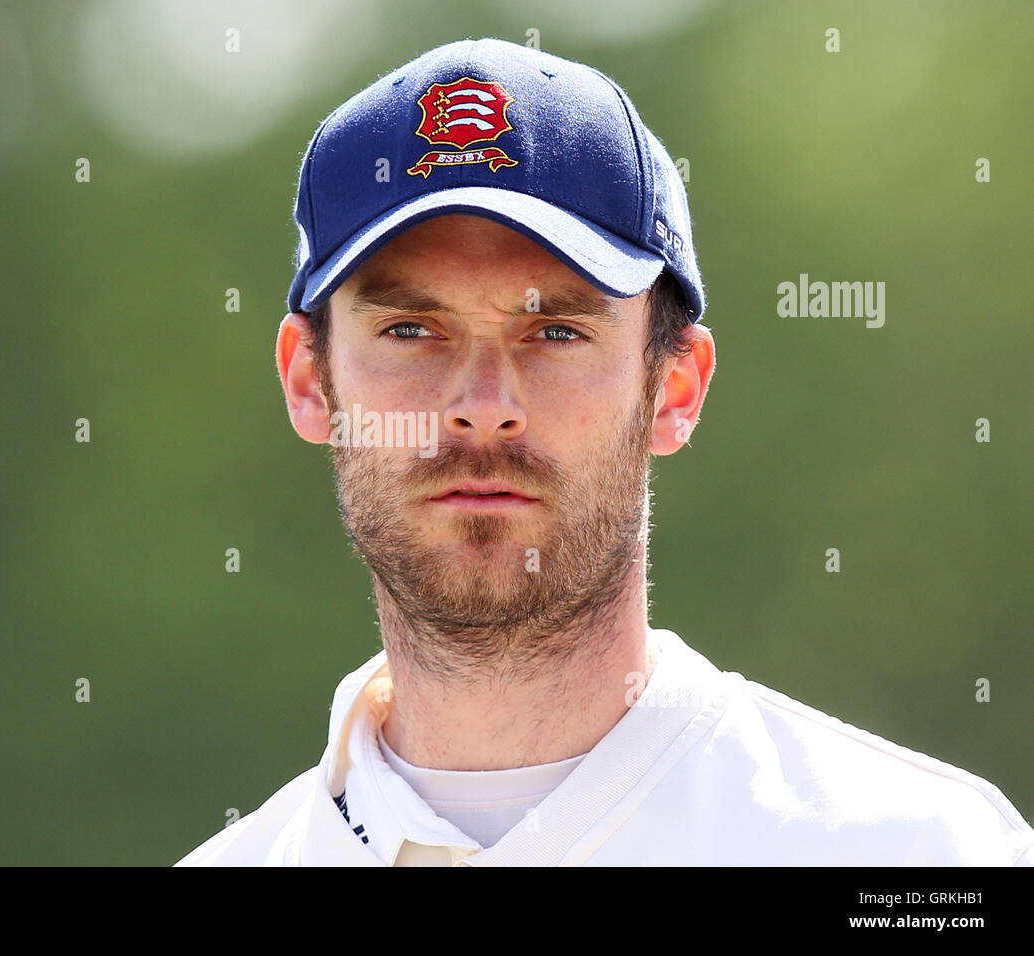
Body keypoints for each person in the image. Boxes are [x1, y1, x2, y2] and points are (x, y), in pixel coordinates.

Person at [175, 38, 1032, 866]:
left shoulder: (918, 858)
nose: (484, 408)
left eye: (555, 330)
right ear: (308, 380)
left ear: (676, 390)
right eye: (411, 329)